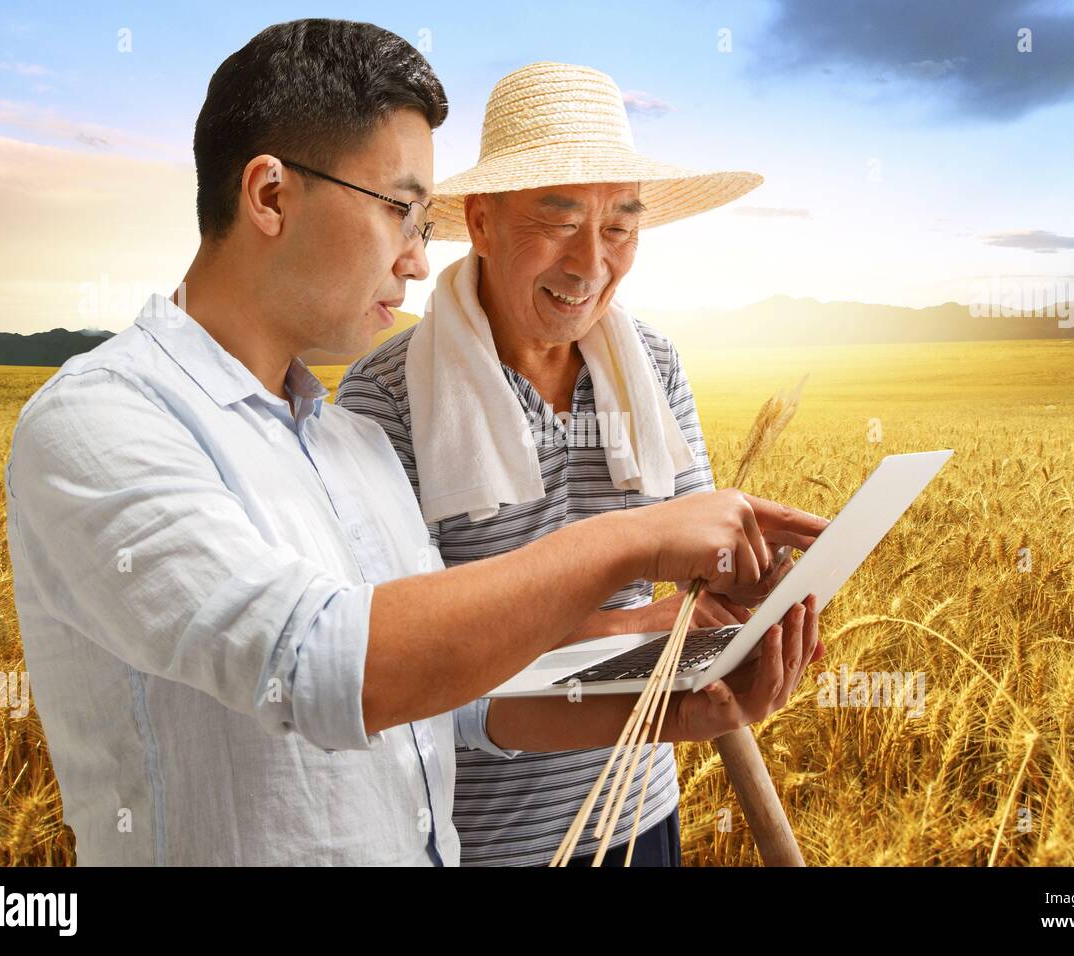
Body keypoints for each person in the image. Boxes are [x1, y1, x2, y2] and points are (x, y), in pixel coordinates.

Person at [5, 19, 827, 866]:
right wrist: (635, 540)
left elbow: (461, 700)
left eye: (420, 222)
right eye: (401, 210)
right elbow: (322, 660)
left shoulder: (345, 441)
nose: (415, 261)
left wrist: (659, 706)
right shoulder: (100, 423)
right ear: (271, 196)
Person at [338, 61, 799, 866]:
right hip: (485, 841)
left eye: (620, 227)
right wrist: (630, 630)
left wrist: (752, 593)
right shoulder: (387, 397)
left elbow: (697, 580)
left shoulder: (651, 364)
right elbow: (400, 665)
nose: (592, 265)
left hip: (641, 807)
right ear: (480, 223)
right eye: (558, 222)